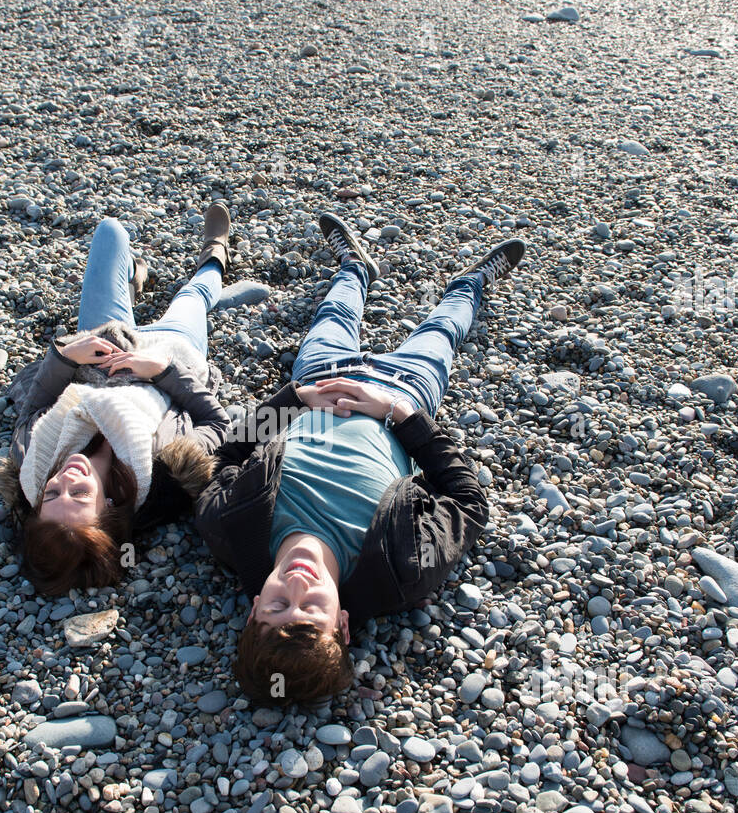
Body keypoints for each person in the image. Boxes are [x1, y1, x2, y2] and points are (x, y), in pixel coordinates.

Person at [195, 212, 525, 705]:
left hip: (320, 377)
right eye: (312, 609)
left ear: (254, 608)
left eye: (279, 604)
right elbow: (469, 504)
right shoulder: (401, 569)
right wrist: (402, 414)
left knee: (334, 315)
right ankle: (472, 283)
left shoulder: (230, 529)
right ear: (343, 623)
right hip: (403, 391)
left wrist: (295, 400)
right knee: (442, 330)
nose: (298, 585)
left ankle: (355, 266)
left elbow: (225, 454)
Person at [0, 203, 233, 593]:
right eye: (80, 494)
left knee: (110, 232)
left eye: (52, 494)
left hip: (102, 344)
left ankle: (133, 281)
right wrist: (163, 372)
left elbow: (33, 409)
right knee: (194, 296)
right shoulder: (165, 475)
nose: (66, 479)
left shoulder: (32, 467)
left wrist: (64, 357)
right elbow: (218, 424)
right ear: (106, 507)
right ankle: (216, 252)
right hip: (171, 351)